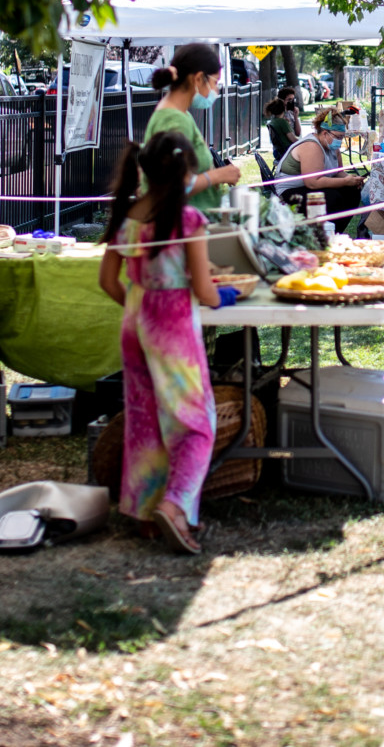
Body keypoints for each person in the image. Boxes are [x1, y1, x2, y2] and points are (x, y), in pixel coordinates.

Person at [96, 132, 242, 554]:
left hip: (136, 321)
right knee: (196, 423)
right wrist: (225, 295)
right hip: (172, 326)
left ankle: (143, 512)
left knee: (145, 420)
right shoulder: (187, 220)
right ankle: (176, 505)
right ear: (184, 172)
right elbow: (206, 291)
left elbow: (108, 281)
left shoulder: (129, 216)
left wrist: (139, 309)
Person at [142, 42, 241, 196]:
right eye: (215, 82)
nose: (216, 90)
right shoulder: (172, 119)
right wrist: (219, 175)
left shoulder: (180, 114)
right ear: (198, 79)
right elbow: (173, 185)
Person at [276, 105, 365, 220]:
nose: (340, 141)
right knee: (332, 198)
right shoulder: (311, 146)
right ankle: (323, 232)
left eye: (342, 137)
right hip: (289, 192)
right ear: (324, 133)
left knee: (352, 191)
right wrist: (345, 181)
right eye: (338, 137)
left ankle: (334, 231)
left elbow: (338, 172)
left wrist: (352, 179)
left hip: (306, 188)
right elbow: (312, 182)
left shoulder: (331, 146)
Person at [265, 98, 300, 162]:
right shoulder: (282, 122)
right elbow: (293, 139)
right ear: (283, 108)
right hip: (286, 152)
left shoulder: (274, 121)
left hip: (278, 152)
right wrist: (305, 141)